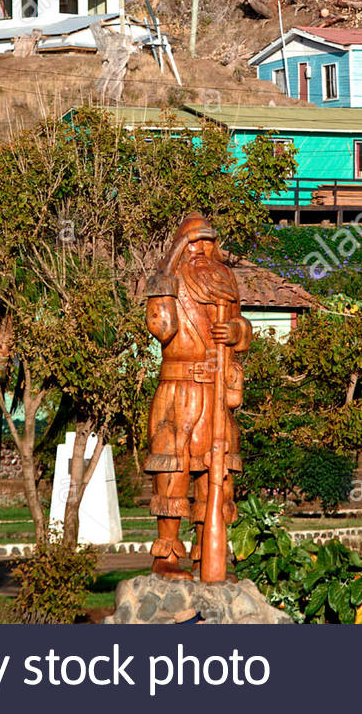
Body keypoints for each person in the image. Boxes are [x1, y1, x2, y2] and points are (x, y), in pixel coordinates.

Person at [144, 212, 252, 576]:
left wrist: (236, 331)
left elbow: (242, 324)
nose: (201, 248)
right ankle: (167, 555)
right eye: (192, 241)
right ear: (180, 245)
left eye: (207, 241)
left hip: (216, 391)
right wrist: (168, 265)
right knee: (172, 468)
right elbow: (163, 326)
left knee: (217, 472)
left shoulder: (224, 280)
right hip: (178, 391)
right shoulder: (168, 281)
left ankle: (208, 556)